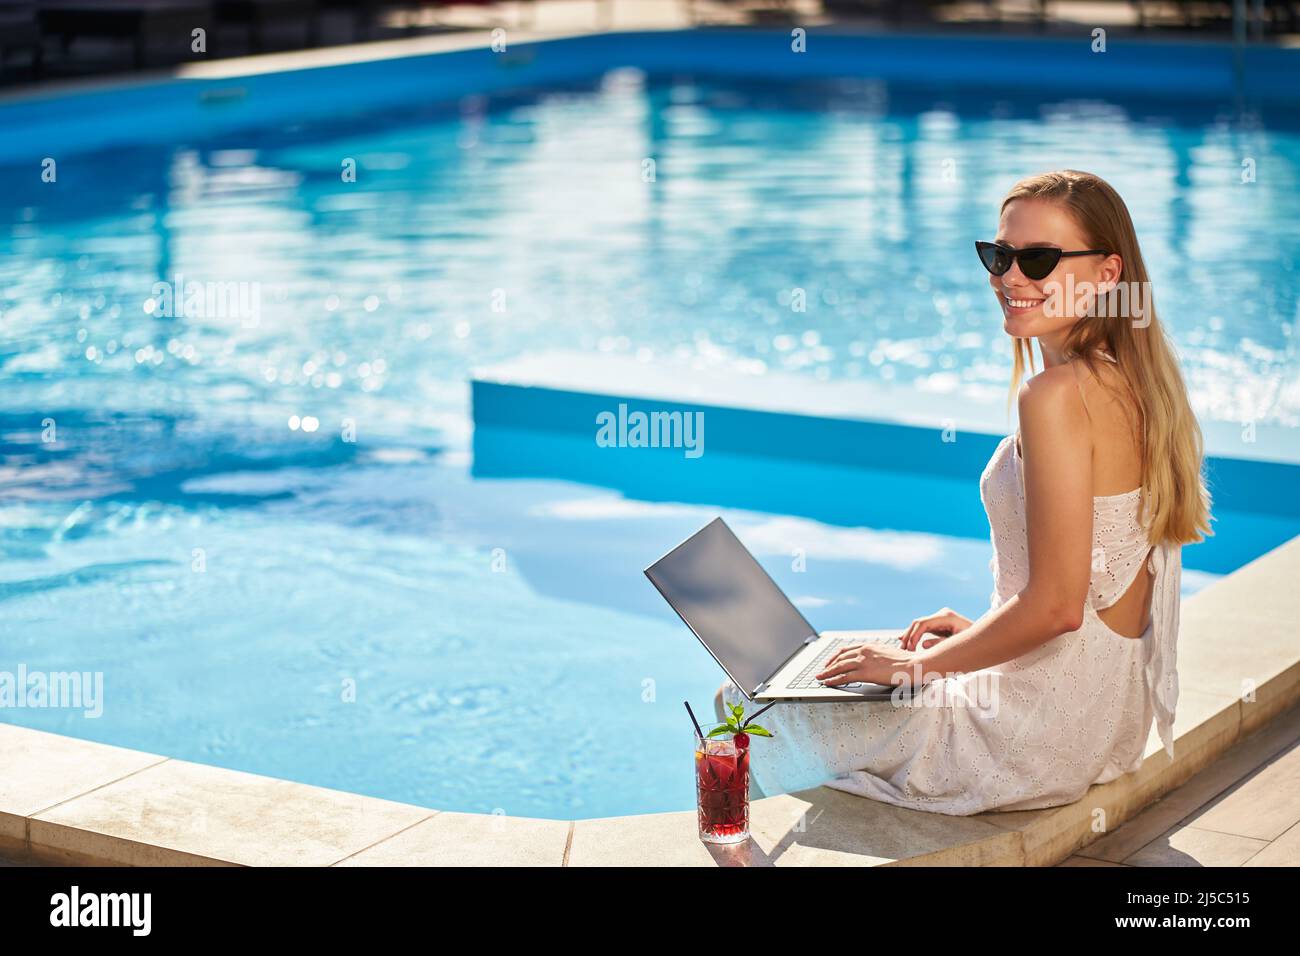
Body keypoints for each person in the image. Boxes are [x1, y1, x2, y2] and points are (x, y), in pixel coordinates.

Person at [718, 170, 1213, 815]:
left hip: (1027, 739)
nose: (1010, 277)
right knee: (827, 670)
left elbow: (1058, 608)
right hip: (1100, 729)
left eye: (1037, 259)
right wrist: (977, 634)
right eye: (999, 256)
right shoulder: (1136, 386)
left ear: (1107, 272)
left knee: (747, 699)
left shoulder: (1057, 398)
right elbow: (1092, 592)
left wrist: (915, 671)